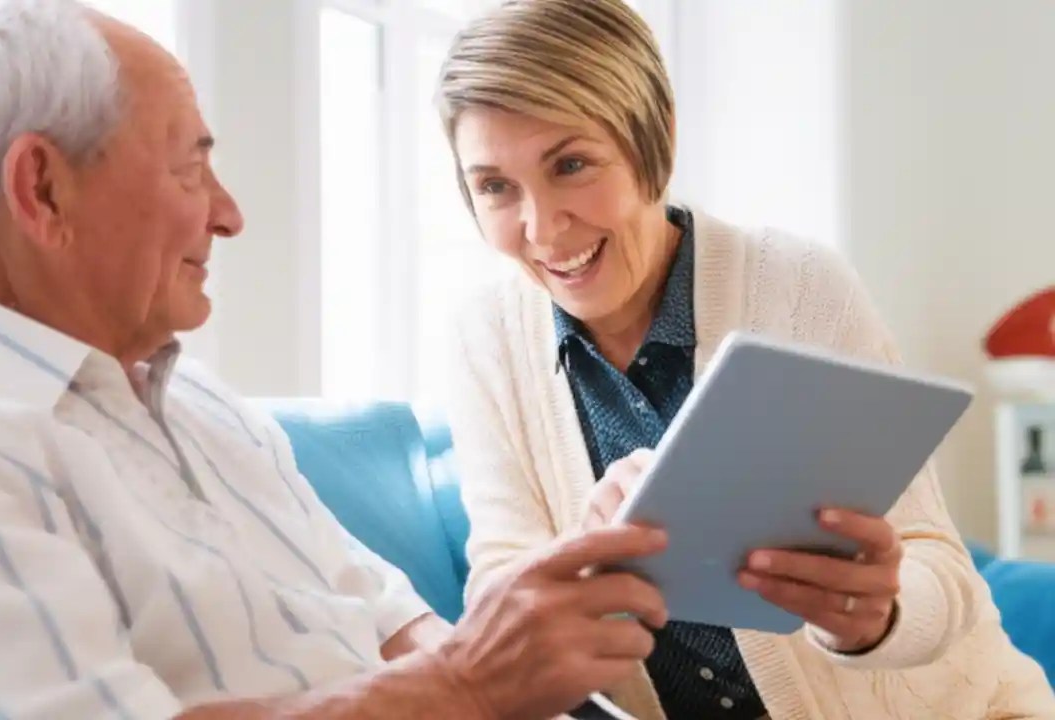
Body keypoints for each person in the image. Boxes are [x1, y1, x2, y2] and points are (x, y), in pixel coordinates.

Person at [0, 1, 672, 718]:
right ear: (42, 188)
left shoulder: (189, 395)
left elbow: (397, 626)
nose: (229, 213)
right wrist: (470, 689)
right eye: (189, 170)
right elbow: (454, 677)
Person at [435, 1, 1055, 719]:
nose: (541, 229)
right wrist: (584, 562)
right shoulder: (484, 340)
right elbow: (500, 608)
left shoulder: (796, 286)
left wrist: (875, 615)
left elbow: (939, 569)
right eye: (494, 187)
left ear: (656, 140)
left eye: (571, 164)